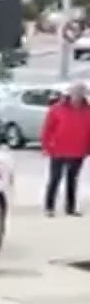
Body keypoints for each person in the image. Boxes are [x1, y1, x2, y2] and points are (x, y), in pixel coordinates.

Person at [40, 81, 90, 217]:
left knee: (72, 180)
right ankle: (49, 207)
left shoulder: (88, 110)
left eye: (81, 93)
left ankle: (71, 207)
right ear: (70, 94)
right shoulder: (57, 109)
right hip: (58, 150)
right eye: (75, 93)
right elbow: (47, 129)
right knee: (55, 179)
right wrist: (45, 146)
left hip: (79, 151)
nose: (78, 96)